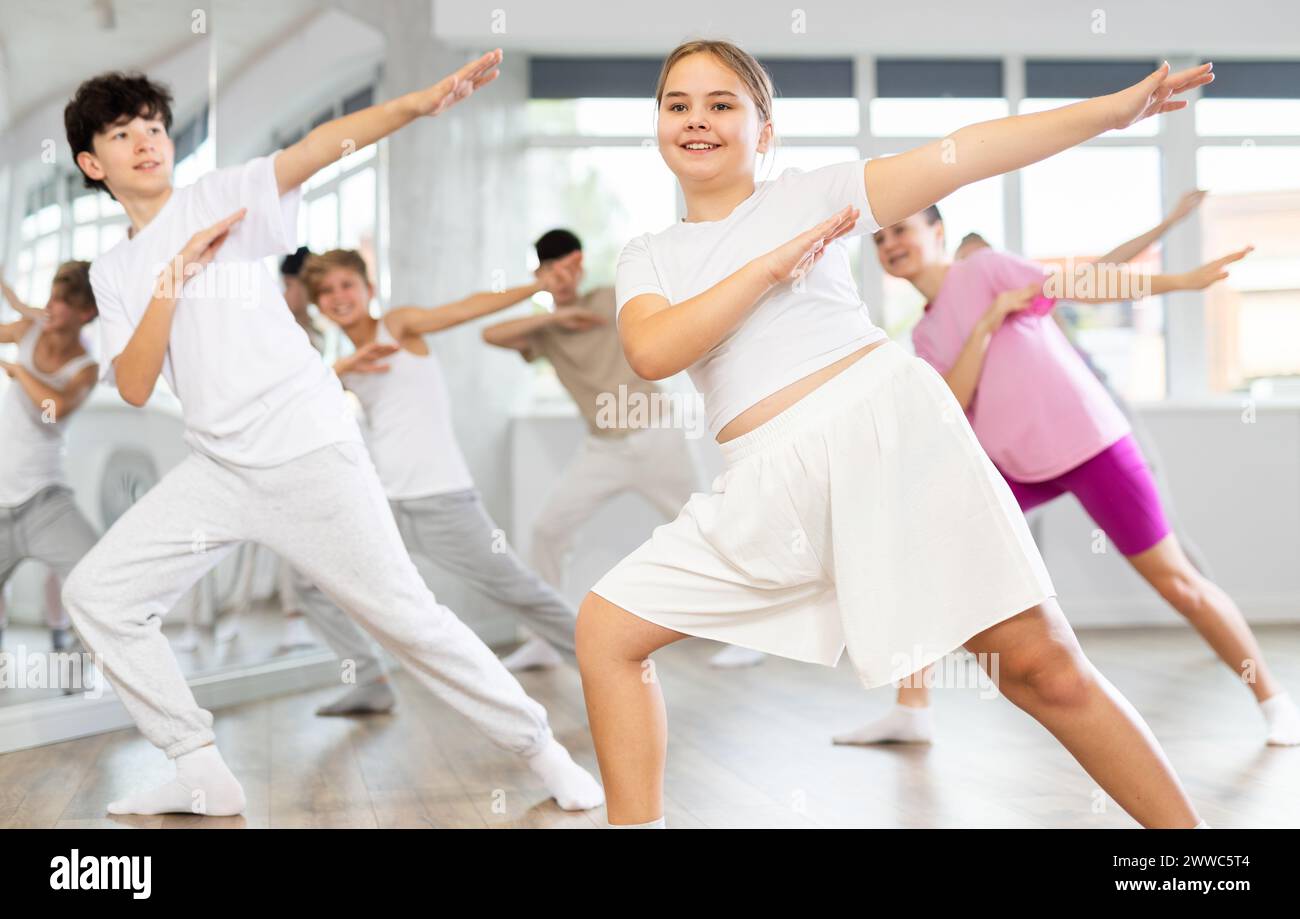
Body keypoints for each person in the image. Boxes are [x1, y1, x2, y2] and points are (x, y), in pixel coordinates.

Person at [574, 39, 1216, 828]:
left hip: (886, 435)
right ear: (658, 126)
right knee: (607, 630)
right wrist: (767, 271)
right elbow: (652, 350)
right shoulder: (650, 255)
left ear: (764, 130)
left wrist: (1112, 112)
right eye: (678, 105)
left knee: (1042, 669)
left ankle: (1201, 863)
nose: (696, 120)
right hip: (763, 483)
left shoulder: (817, 193)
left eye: (721, 103)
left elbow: (967, 153)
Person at [59, 55, 603, 816]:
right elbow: (139, 383)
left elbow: (319, 146)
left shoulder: (221, 196)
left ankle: (544, 751)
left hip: (310, 450)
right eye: (123, 132)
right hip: (216, 467)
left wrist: (413, 104)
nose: (147, 140)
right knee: (99, 593)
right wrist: (172, 277)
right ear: (92, 162)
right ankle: (199, 768)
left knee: (410, 621)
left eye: (154, 125)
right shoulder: (115, 270)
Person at [842, 196, 1299, 748]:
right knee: (926, 552)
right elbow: (955, 400)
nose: (890, 245)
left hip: (1090, 444)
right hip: (1016, 464)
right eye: (880, 240)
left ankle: (1273, 698)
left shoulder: (986, 268)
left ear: (937, 231)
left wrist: (1176, 283)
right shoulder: (924, 335)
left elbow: (1083, 282)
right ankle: (913, 710)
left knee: (1177, 582)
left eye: (900, 230)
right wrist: (988, 322)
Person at [301, 247, 584, 670]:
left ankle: (604, 659)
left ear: (368, 289)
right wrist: (342, 368)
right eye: (325, 291)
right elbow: (300, 406)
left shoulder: (397, 327)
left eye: (347, 285)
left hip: (442, 500)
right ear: (316, 303)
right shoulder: (339, 365)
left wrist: (537, 287)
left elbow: (465, 309)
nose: (338, 296)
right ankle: (366, 680)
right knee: (311, 581)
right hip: (385, 506)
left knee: (518, 590)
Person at [481, 229, 730, 669]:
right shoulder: (544, 331)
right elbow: (491, 334)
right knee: (547, 530)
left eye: (569, 267)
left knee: (703, 529)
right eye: (551, 271)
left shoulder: (609, 298)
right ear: (539, 273)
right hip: (602, 450)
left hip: (656, 436)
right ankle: (545, 638)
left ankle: (740, 630)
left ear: (580, 264)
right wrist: (551, 314)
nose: (563, 277)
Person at [0, 262, 100, 664]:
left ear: (85, 313)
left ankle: (77, 665)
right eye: (52, 297)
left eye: (63, 301)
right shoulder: (28, 332)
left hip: (45, 500)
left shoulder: (86, 368)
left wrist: (17, 370)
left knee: (97, 583)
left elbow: (52, 409)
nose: (52, 307)